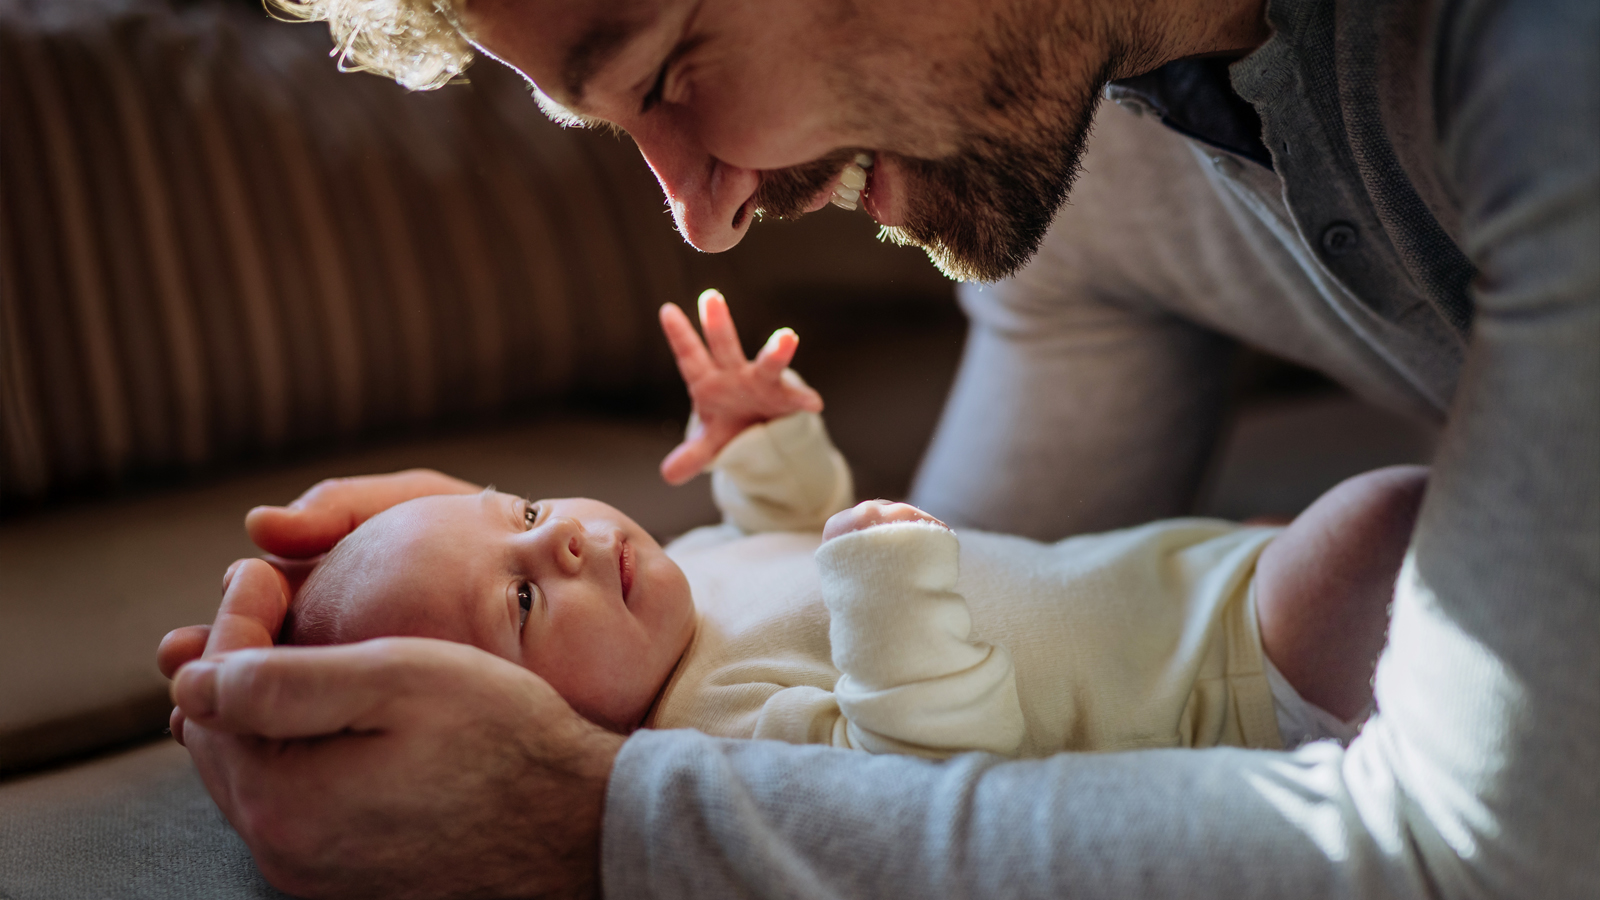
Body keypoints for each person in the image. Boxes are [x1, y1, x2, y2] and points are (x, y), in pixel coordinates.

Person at [160, 0, 1599, 896]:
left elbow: (1504, 861)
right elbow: (977, 607)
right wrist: (449, 598)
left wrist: (590, 824)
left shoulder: (1548, 68)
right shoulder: (1070, 120)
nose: (703, 219)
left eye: (666, 68)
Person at [279, 290, 1414, 757]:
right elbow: (916, 772)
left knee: (1319, 536)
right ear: (532, 731)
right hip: (1212, 692)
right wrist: (881, 589)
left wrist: (756, 443)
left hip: (1189, 583)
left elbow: (787, 528)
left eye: (523, 515)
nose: (562, 540)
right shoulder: (710, 733)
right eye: (521, 598)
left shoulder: (680, 569)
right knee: (1385, 520)